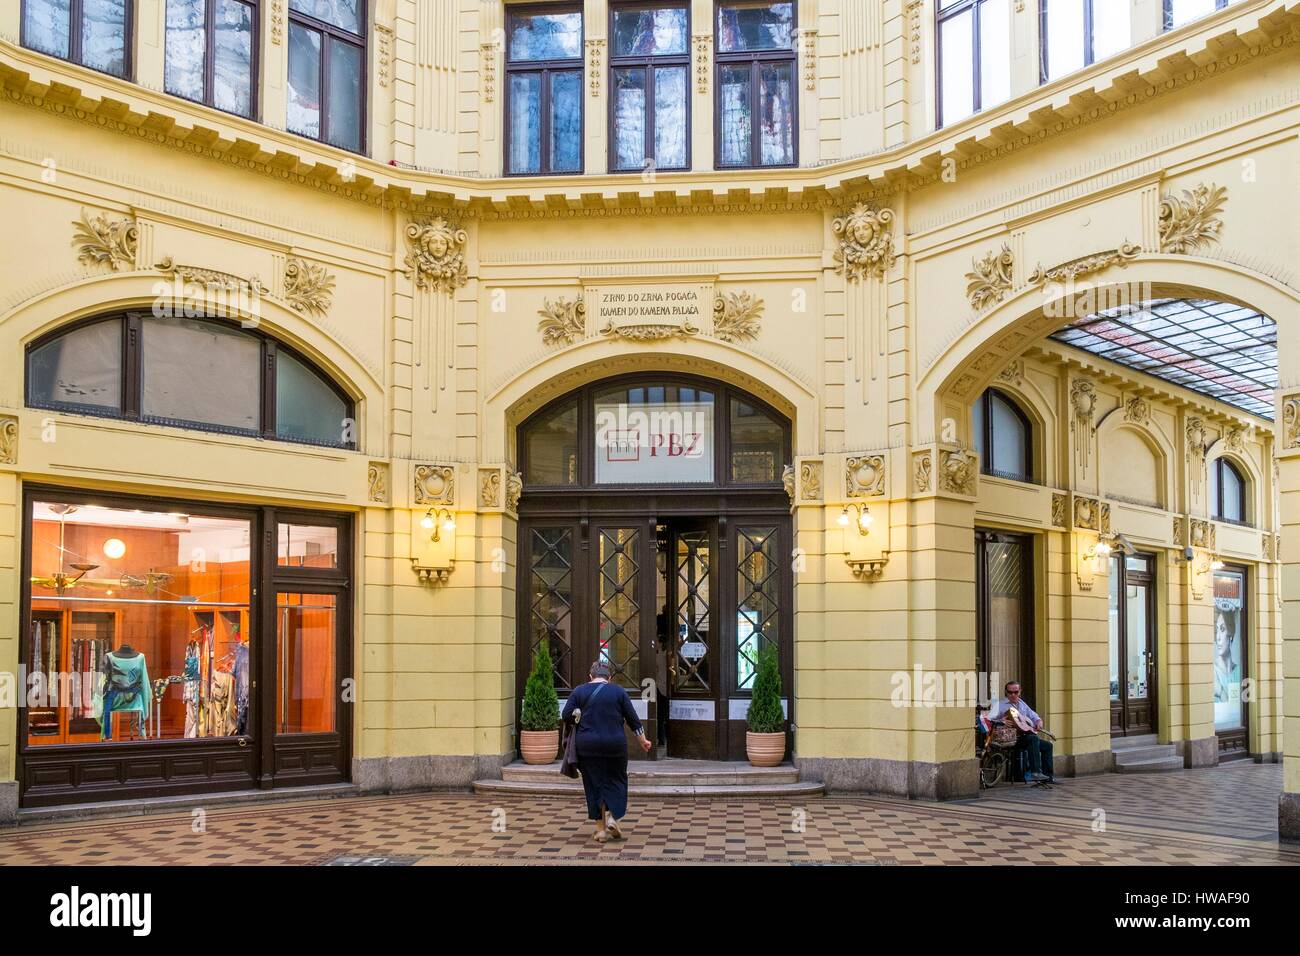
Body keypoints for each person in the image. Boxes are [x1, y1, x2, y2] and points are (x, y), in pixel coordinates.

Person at [561, 661, 653, 843]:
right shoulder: (618, 691)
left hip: (587, 746)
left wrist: (578, 714)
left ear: (590, 676)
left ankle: (600, 830)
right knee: (617, 780)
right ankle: (612, 817)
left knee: (593, 784)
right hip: (615, 745)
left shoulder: (579, 691)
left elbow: (566, 715)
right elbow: (633, 720)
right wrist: (643, 741)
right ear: (609, 678)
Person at [988, 681, 1056, 784]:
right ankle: (1035, 772)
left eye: (1015, 692)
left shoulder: (1022, 704)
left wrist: (1039, 722)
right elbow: (988, 719)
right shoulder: (1000, 705)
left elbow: (1034, 716)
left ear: (1020, 691)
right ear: (1006, 692)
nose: (1013, 695)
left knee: (1047, 746)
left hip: (1024, 738)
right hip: (1009, 739)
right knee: (1033, 739)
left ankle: (1048, 778)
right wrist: (1001, 721)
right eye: (1010, 692)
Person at [1213, 603, 1241, 704]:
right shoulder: (1212, 672)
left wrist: (1221, 693)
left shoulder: (1241, 672)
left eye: (1222, 629)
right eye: (1217, 630)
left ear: (1231, 635)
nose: (1218, 637)